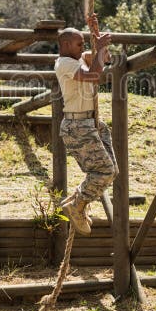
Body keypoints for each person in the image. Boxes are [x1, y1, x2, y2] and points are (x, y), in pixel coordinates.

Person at [54, 17, 116, 235]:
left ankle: (77, 199)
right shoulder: (64, 63)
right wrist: (97, 47)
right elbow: (94, 75)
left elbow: (104, 59)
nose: (83, 48)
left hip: (90, 122)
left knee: (112, 171)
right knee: (104, 171)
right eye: (79, 44)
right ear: (66, 45)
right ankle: (77, 204)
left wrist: (97, 37)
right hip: (77, 125)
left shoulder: (80, 58)